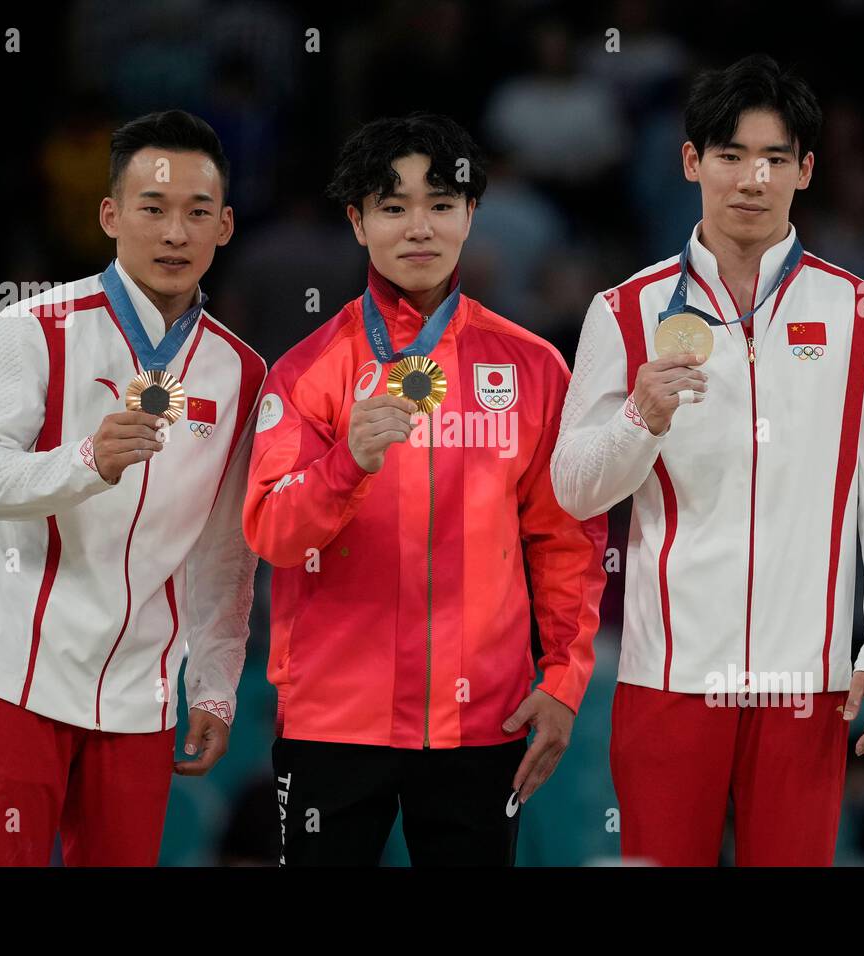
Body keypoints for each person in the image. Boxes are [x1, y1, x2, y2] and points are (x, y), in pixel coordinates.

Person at [551, 55, 864, 866]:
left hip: (807, 683)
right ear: (692, 162)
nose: (750, 179)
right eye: (729, 155)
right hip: (667, 677)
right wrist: (638, 419)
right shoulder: (623, 311)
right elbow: (574, 488)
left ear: (806, 171)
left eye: (774, 158)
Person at [242, 113, 607, 866]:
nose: (419, 226)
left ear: (473, 214)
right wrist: (348, 463)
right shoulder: (307, 370)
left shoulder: (534, 367)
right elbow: (271, 532)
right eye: (392, 205)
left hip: (483, 725)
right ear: (356, 220)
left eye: (441, 204)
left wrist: (565, 680)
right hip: (334, 725)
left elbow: (566, 539)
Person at [0, 110, 266, 866]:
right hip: (19, 676)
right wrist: (84, 461)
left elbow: (226, 551)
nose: (173, 233)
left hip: (142, 694)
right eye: (152, 209)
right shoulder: (32, 328)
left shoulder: (244, 373)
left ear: (224, 227)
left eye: (196, 213)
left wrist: (216, 685)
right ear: (111, 214)